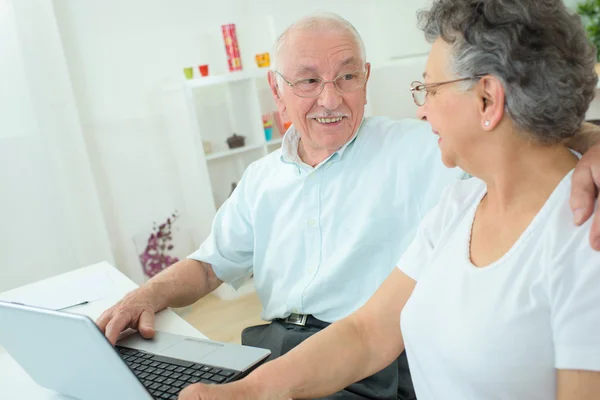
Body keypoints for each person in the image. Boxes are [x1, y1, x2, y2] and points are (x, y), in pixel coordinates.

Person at [98, 10, 600, 400]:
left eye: (427, 88)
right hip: (289, 348)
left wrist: (591, 138)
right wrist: (245, 388)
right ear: (278, 90)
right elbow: (366, 331)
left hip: (369, 376)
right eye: (309, 81)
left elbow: (529, 132)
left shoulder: (569, 231)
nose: (420, 107)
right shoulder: (460, 204)